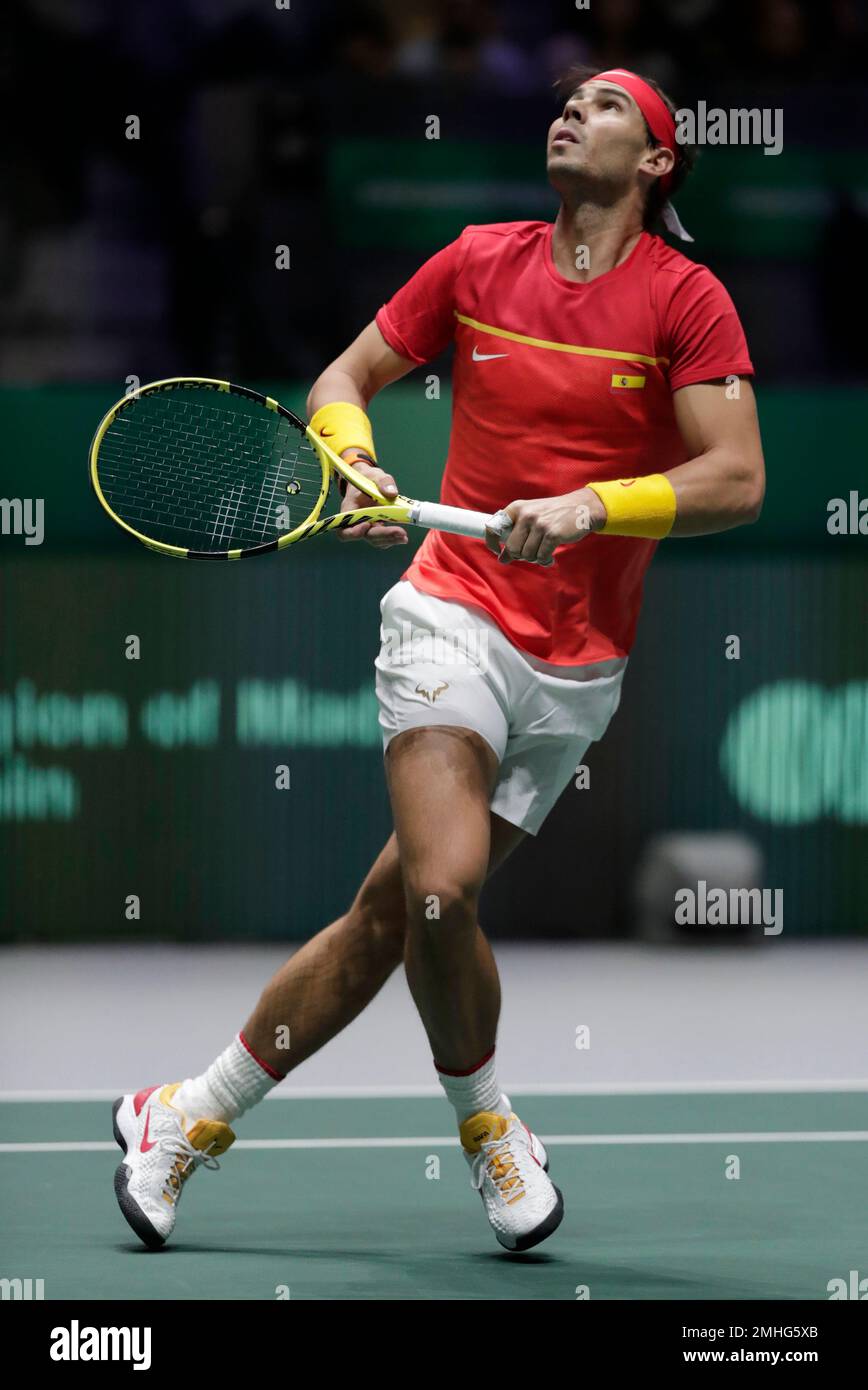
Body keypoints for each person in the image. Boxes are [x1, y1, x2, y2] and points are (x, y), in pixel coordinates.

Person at [112, 66, 764, 1254]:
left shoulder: (687, 299)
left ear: (660, 161)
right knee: (441, 887)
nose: (572, 109)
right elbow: (342, 379)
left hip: (576, 666)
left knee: (388, 918)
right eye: (566, 99)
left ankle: (181, 1117)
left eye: (608, 104)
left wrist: (591, 507)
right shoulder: (475, 261)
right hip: (448, 612)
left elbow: (735, 478)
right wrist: (353, 456)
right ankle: (487, 1124)